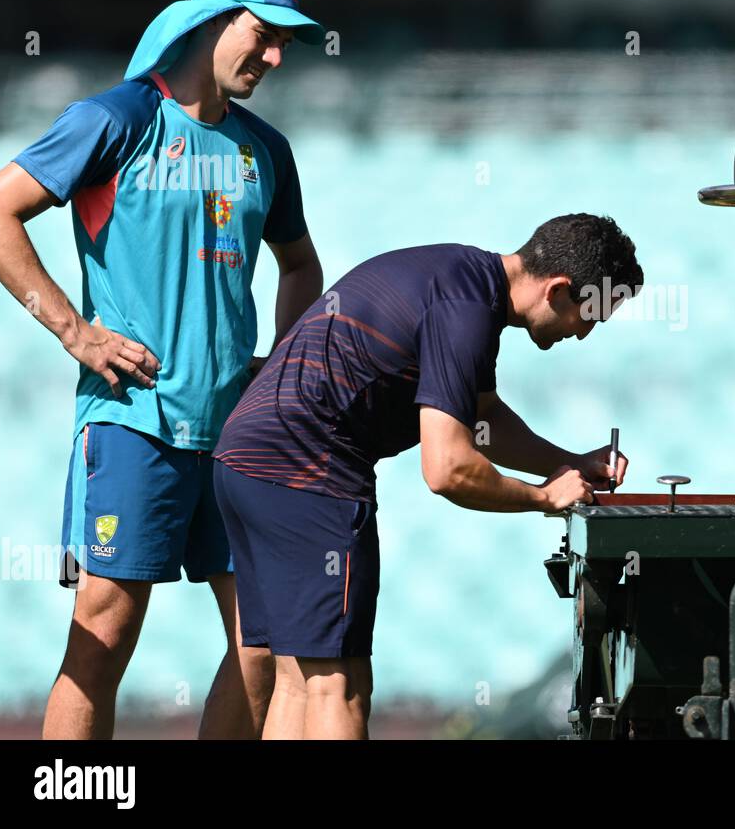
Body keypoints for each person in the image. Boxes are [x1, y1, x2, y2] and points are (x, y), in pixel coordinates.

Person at [0, 0, 326, 738]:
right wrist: (76, 331)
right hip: (134, 424)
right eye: (264, 38)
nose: (275, 59)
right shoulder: (117, 119)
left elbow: (300, 265)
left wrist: (278, 365)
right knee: (103, 641)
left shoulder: (265, 150)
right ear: (210, 24)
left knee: (263, 645)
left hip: (240, 438)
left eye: (284, 46)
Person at [211, 214, 643, 738]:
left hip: (244, 463)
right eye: (590, 316)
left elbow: (483, 418)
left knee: (297, 678)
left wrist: (568, 463)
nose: (584, 334)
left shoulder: (462, 278)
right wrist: (543, 497)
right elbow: (448, 469)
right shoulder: (467, 312)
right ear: (557, 289)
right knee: (339, 686)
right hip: (309, 475)